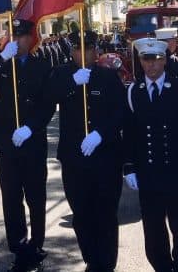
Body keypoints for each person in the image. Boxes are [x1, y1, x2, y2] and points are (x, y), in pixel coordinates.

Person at [123, 38, 178, 272]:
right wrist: (128, 166)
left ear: (164, 60)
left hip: (177, 173)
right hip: (148, 174)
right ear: (140, 61)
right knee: (153, 231)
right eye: (146, 60)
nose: (151, 66)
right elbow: (129, 134)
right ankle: (161, 267)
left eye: (157, 60)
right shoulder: (133, 92)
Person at [46, 30, 126, 272]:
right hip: (74, 158)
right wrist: (72, 83)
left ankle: (106, 264)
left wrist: (101, 133)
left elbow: (122, 111)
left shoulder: (108, 77)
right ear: (72, 51)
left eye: (88, 48)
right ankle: (91, 259)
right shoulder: (61, 74)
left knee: (106, 212)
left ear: (96, 51)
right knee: (81, 212)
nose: (83, 53)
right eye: (78, 48)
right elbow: (48, 97)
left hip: (106, 157)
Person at [0, 19, 55, 272]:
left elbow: (47, 103)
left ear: (32, 38)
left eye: (22, 36)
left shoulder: (42, 65)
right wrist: (1, 59)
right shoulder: (3, 62)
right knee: (11, 197)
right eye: (13, 35)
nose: (17, 40)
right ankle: (18, 246)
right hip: (6, 142)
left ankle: (36, 245)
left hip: (32, 141)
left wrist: (31, 127)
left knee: (36, 197)